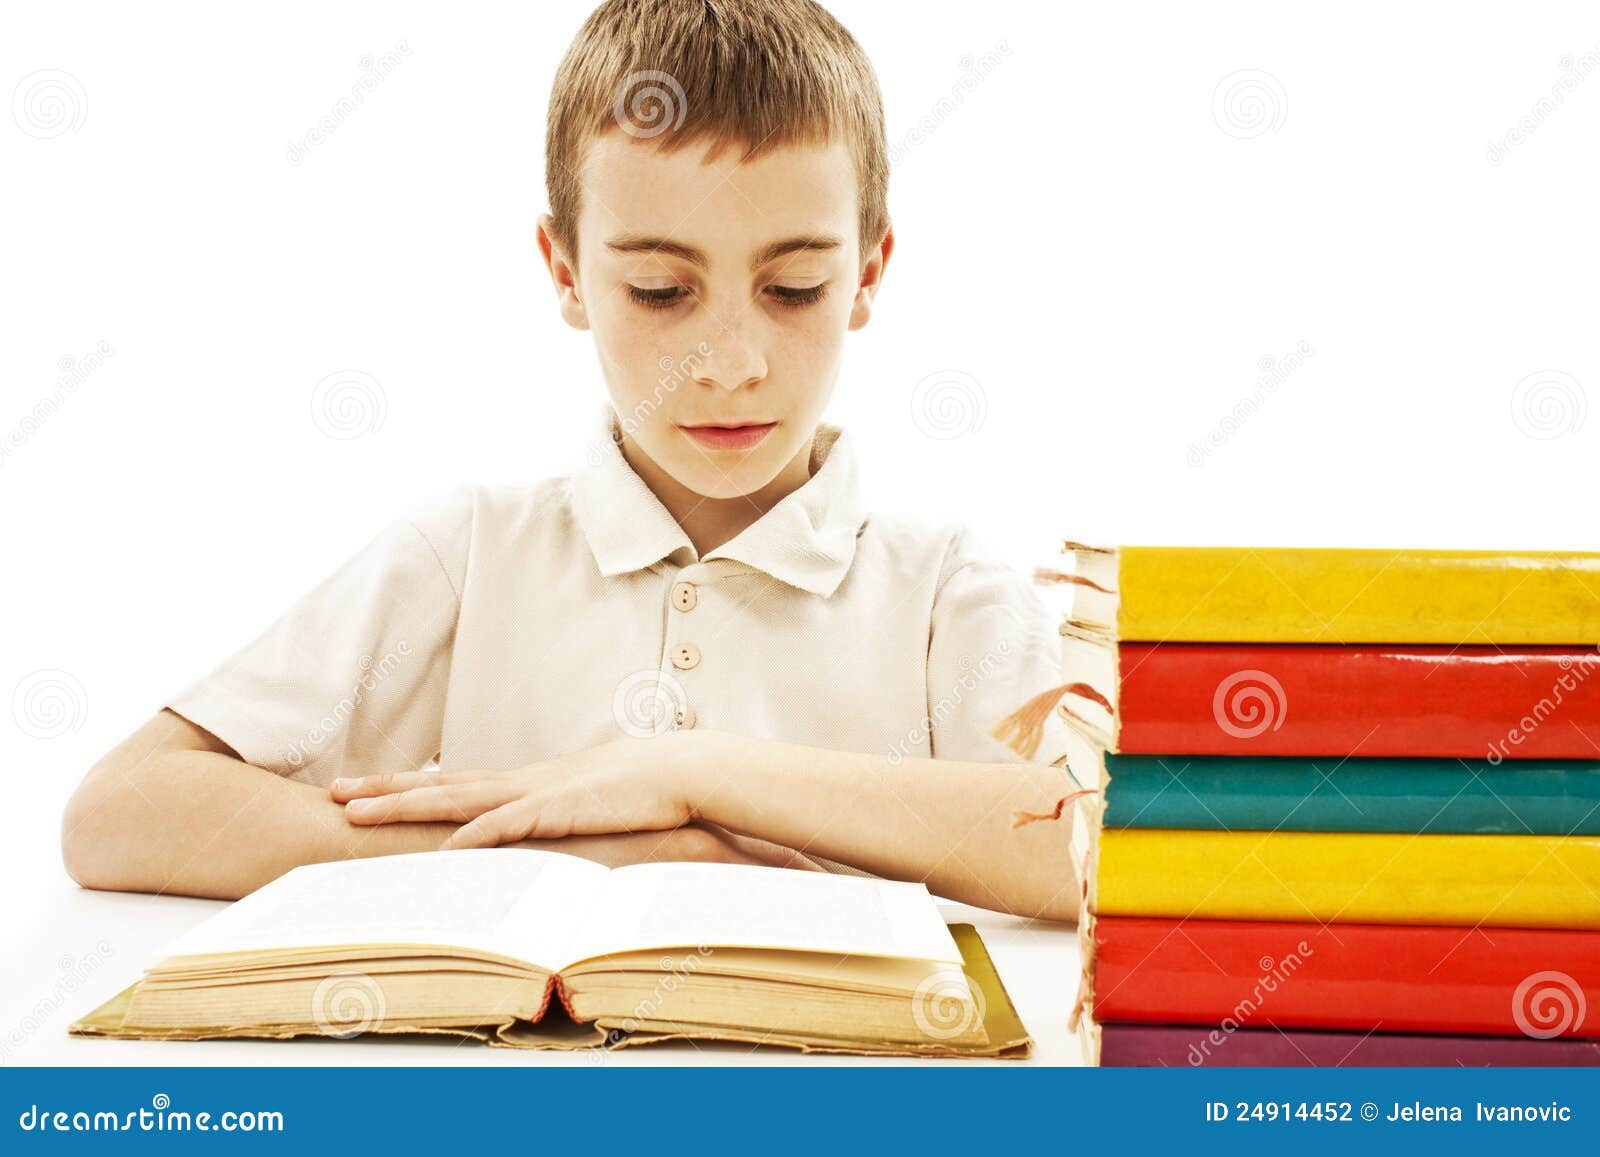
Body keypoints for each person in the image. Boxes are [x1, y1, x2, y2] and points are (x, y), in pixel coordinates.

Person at [60, 0, 1079, 919]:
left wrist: (694, 772)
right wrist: (562, 855)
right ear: (566, 272)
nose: (731, 364)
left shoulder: (944, 588)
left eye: (794, 287)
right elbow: (118, 810)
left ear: (867, 272)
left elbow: (1092, 849)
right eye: (660, 291)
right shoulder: (471, 550)